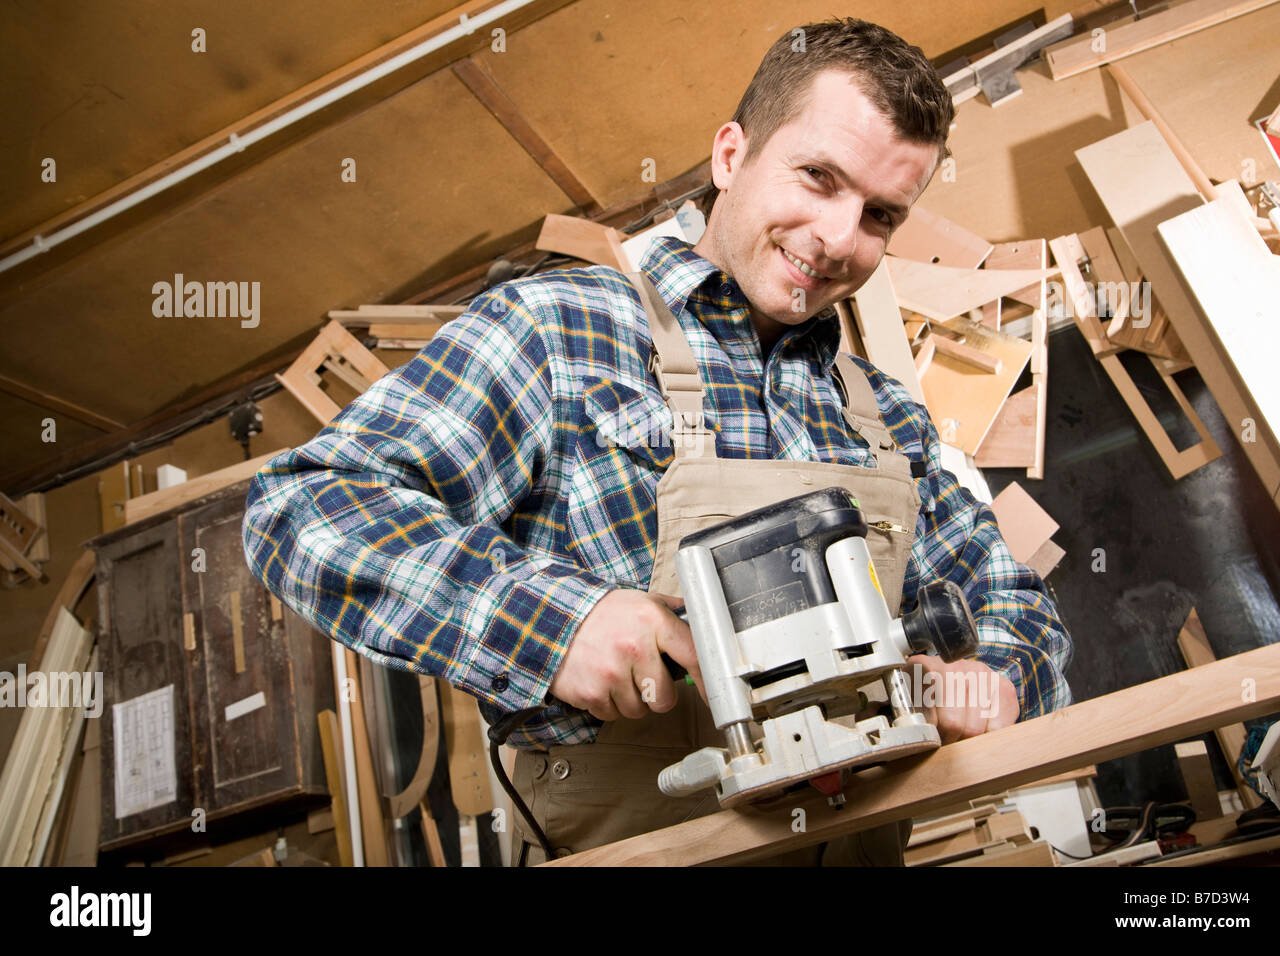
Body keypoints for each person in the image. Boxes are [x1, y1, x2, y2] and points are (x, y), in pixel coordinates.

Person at [242, 18, 1072, 866]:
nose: (836, 237)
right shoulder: (562, 330)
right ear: (729, 158)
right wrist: (558, 624)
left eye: (879, 215)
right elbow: (310, 506)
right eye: (818, 177)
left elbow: (1017, 605)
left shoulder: (887, 414)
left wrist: (998, 677)